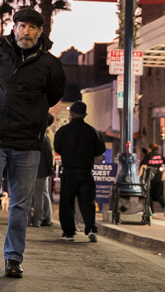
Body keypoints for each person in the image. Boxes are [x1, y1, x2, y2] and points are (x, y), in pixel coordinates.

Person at [0, 7, 65, 279]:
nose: (26, 31)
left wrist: (36, 117)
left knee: (21, 203)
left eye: (32, 27)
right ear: (14, 27)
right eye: (22, 26)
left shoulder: (50, 64)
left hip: (28, 142)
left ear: (40, 32)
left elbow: (55, 94)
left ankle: (13, 258)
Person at [53, 101, 106, 242]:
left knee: (67, 202)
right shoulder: (92, 131)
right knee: (87, 201)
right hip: (85, 171)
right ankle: (90, 229)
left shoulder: (63, 131)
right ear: (84, 115)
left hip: (69, 170)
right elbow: (100, 149)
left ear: (71, 114)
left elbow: (57, 148)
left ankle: (68, 232)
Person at [30, 116, 55, 228]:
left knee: (30, 195)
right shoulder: (45, 137)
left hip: (30, 169)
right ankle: (39, 219)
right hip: (42, 170)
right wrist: (50, 170)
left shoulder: (30, 136)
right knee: (40, 195)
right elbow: (49, 154)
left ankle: (31, 219)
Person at [142, 143, 165, 217]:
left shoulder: (148, 156)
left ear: (149, 148)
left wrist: (139, 176)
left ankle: (152, 212)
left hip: (150, 178)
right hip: (159, 177)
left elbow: (144, 166)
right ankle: (164, 205)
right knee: (158, 194)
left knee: (150, 195)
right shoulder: (160, 156)